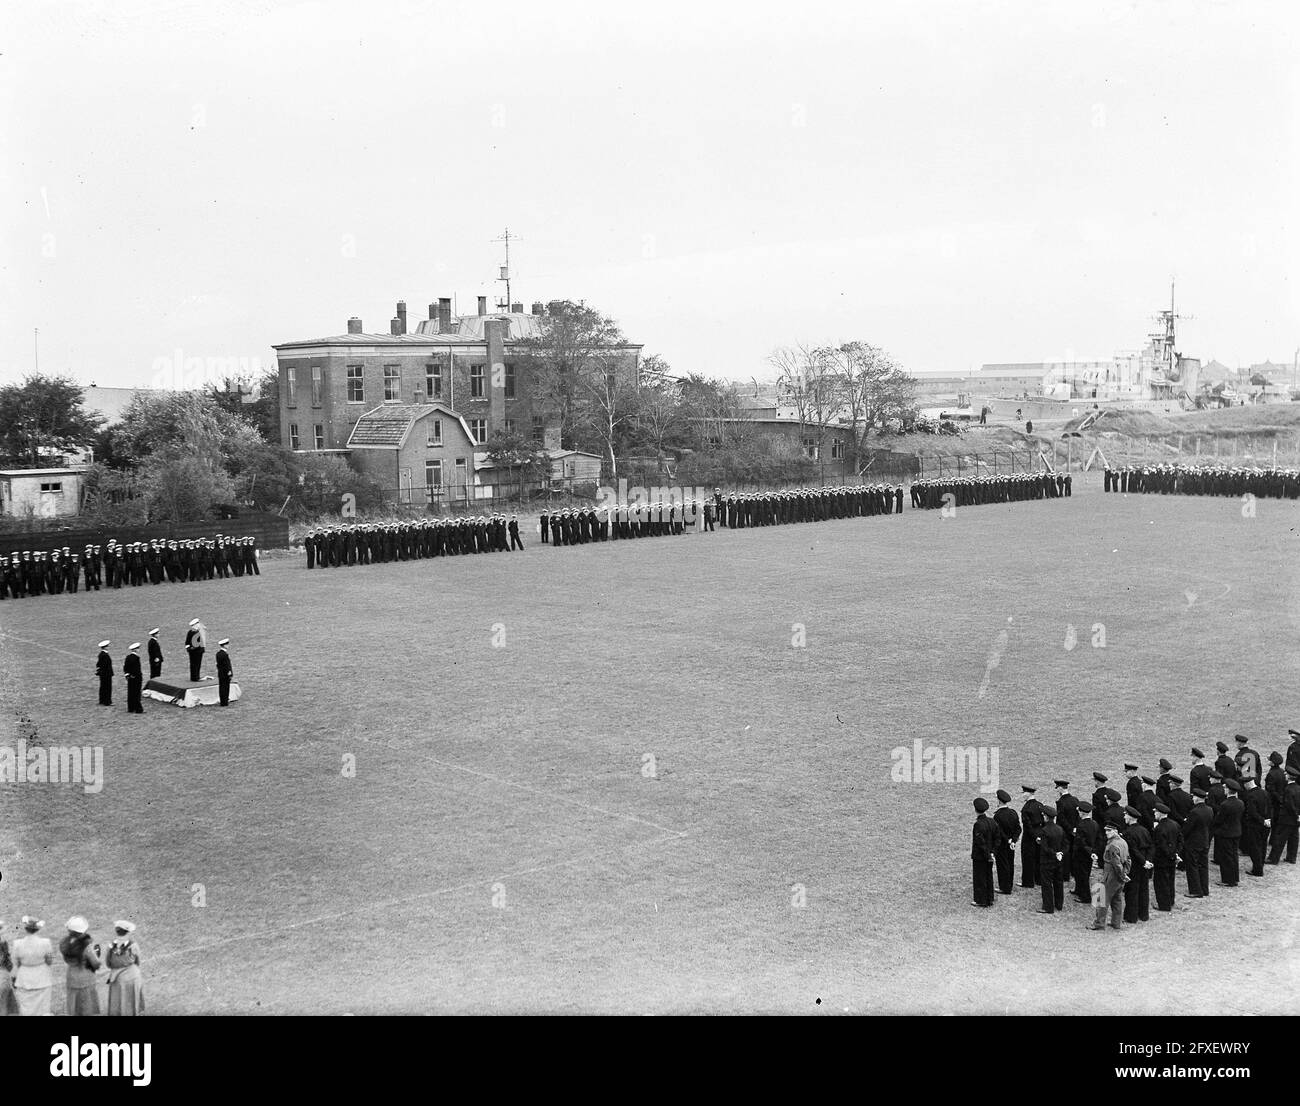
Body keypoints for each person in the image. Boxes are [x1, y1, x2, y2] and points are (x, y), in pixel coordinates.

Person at [1090, 822, 1129, 931]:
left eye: (1109, 830)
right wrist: (1125, 873)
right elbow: (1128, 859)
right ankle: (1116, 923)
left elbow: (1116, 864)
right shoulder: (1123, 842)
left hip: (1111, 875)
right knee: (1117, 900)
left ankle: (1099, 923)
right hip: (1118, 875)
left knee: (1102, 899)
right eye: (1106, 830)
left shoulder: (1112, 845)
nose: (1106, 833)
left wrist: (1122, 875)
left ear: (1115, 831)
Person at [60, 916, 102, 1015]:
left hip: (71, 976)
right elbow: (96, 964)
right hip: (86, 978)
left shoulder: (64, 944)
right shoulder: (87, 947)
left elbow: (67, 959)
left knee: (74, 1004)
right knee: (86, 1005)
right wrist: (97, 953)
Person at [12, 916, 54, 1015]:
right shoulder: (46, 943)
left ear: (25, 928)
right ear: (37, 929)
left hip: (24, 978)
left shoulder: (17, 944)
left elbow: (16, 962)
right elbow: (49, 961)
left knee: (26, 1007)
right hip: (42, 978)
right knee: (43, 1009)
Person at [105, 921, 145, 1016]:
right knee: (132, 1001)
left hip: (117, 978)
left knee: (117, 1002)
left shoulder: (110, 946)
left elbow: (108, 963)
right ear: (128, 932)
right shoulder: (133, 945)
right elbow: (138, 961)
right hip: (133, 976)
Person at [1121, 806, 1153, 923]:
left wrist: (1143, 861)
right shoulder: (1144, 830)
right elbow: (1150, 847)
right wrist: (1148, 861)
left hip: (1134, 866)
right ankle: (1143, 915)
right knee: (1144, 890)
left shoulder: (1128, 833)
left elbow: (1133, 850)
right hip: (1144, 865)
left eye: (1125, 815)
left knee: (1132, 891)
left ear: (1130, 817)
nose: (1124, 817)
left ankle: (1131, 916)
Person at [1035, 803, 1067, 914]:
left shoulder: (1044, 830)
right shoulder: (1060, 829)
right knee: (1058, 882)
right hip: (1058, 861)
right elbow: (1065, 844)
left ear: (1046, 816)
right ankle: (1059, 904)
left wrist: (1054, 853)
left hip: (1047, 861)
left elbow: (1045, 848)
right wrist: (1060, 853)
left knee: (1047, 884)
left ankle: (1048, 906)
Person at [1151, 803, 1182, 911]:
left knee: (1161, 882)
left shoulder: (1159, 828)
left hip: (1162, 859)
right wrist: (1176, 854)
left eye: (1155, 812)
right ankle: (1171, 901)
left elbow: (1161, 845)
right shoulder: (1175, 824)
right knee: (1170, 880)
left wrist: (1170, 855)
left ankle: (1164, 905)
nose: (1154, 814)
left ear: (1160, 813)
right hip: (1172, 858)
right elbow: (1180, 841)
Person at [1213, 779, 1244, 886]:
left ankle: (1227, 880)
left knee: (1226, 857)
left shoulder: (1225, 804)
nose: (1224, 789)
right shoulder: (1240, 803)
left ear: (1229, 790)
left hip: (1226, 833)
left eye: (1225, 788)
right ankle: (1235, 878)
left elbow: (1219, 820)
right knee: (1234, 856)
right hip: (1236, 831)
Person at [1183, 788, 1213, 897]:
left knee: (1192, 866)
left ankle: (1196, 890)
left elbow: (1187, 829)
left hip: (1193, 842)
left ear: (1197, 797)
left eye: (1194, 797)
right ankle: (1204, 889)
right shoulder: (1209, 809)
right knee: (1203, 866)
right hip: (1204, 841)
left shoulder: (1194, 812)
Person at [1268, 766, 1300, 864]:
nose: (1285, 775)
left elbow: (1289, 805)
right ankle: (1291, 857)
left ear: (1289, 776)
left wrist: (1295, 815)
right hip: (1296, 819)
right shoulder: (1298, 788)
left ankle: (1273, 859)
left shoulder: (1288, 789)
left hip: (1287, 818)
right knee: (1294, 838)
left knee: (1279, 838)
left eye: (1286, 774)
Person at [991, 789, 1019, 894]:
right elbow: (1018, 828)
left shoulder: (997, 816)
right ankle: (1009, 885)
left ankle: (1004, 887)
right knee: (1010, 863)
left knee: (1002, 865)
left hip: (1002, 844)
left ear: (999, 801)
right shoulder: (1013, 813)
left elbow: (999, 832)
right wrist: (1013, 840)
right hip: (1012, 844)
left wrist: (1007, 840)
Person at [1242, 777, 1271, 877]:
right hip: (1266, 824)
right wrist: (1267, 820)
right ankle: (1260, 865)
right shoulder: (1264, 793)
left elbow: (1252, 812)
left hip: (1255, 825)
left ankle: (1257, 869)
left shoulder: (1251, 796)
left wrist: (1262, 821)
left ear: (1248, 784)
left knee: (1254, 848)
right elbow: (1270, 807)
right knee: (1263, 846)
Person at [970, 797, 996, 907]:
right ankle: (990, 898)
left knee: (980, 878)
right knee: (988, 876)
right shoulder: (992, 821)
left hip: (980, 856)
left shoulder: (978, 824)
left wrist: (987, 854)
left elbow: (980, 843)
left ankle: (981, 900)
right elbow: (997, 838)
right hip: (990, 853)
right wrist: (992, 852)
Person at [1019, 785, 1044, 888]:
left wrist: (1034, 837)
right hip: (1040, 834)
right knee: (1039, 858)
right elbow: (1044, 821)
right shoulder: (1040, 805)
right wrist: (1040, 836)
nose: (1023, 795)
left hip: (1029, 838)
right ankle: (1039, 879)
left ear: (1029, 794)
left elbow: (1028, 826)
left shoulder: (1026, 808)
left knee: (1027, 859)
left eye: (1024, 793)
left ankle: (1028, 881)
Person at [0, 920, 19, 1015]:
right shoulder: (3, 943)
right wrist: (15, 978)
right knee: (4, 1006)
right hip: (2, 976)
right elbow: (7, 962)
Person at [123, 642, 145, 714]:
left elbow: (125, 667)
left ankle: (131, 708)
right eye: (138, 648)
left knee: (130, 693)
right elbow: (137, 670)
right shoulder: (136, 658)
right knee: (137, 693)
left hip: (130, 678)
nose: (138, 649)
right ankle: (138, 709)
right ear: (135, 649)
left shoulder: (128, 657)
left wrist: (127, 675)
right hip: (136, 678)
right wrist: (138, 676)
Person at [216, 638, 233, 706]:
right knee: (225, 688)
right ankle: (225, 702)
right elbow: (227, 665)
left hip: (220, 673)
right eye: (227, 644)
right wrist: (229, 673)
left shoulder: (218, 653)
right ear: (224, 645)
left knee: (222, 687)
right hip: (225, 674)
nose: (228, 645)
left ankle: (223, 701)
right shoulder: (225, 654)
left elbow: (218, 664)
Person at [96, 639, 113, 706]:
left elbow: (98, 664)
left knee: (102, 687)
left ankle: (102, 700)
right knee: (107, 688)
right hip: (106, 674)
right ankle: (107, 701)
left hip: (102, 674)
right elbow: (106, 665)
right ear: (105, 647)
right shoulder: (105, 655)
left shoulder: (101, 654)